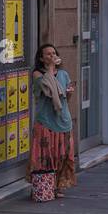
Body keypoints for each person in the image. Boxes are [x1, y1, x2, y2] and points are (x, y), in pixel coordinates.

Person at [30, 44, 77, 199]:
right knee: (46, 157)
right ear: (41, 58)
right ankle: (44, 187)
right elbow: (47, 89)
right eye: (48, 54)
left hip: (63, 120)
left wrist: (69, 93)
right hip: (46, 121)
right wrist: (50, 67)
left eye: (54, 53)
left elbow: (65, 99)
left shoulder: (63, 74)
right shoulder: (37, 74)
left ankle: (57, 187)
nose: (52, 56)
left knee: (62, 156)